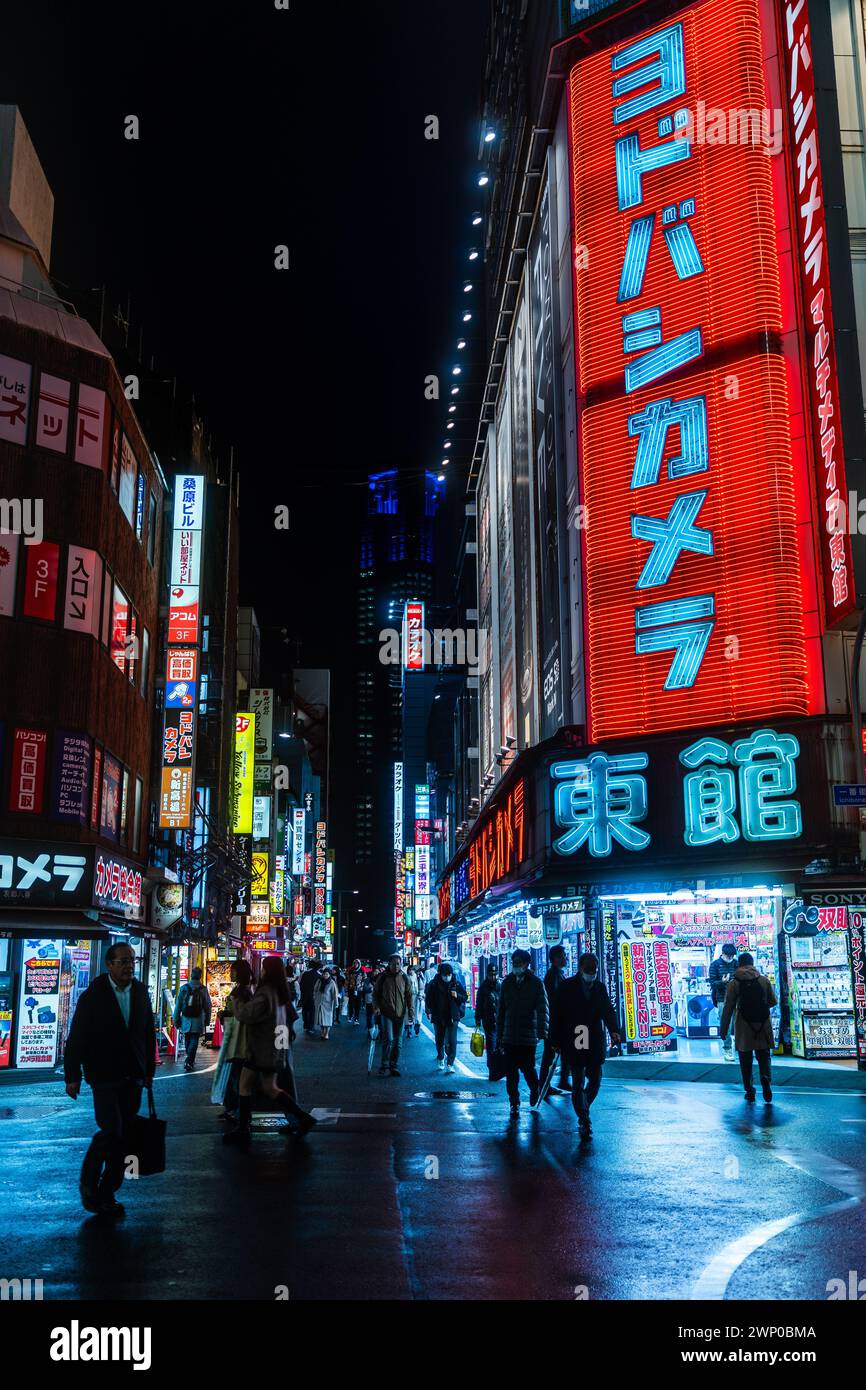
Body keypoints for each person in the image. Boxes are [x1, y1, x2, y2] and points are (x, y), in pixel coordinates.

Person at [64, 942, 157, 1217]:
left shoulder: (140, 992)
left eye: (132, 960)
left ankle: (107, 1192)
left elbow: (148, 1033)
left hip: (133, 1074)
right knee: (111, 1130)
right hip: (103, 1074)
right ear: (109, 964)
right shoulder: (94, 995)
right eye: (124, 961)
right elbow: (77, 1036)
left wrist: (148, 1071)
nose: (130, 965)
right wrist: (72, 1076)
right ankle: (90, 1184)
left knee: (124, 1133)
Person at [224, 955, 318, 1146]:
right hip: (275, 1046)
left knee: (245, 1085)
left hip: (261, 1048)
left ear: (268, 971)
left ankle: (243, 1129)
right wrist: (282, 1049)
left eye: (264, 968)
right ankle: (302, 1118)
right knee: (270, 1087)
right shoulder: (280, 992)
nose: (261, 971)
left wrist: (235, 1003)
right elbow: (288, 1020)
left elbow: (246, 1014)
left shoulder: (265, 992)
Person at [550, 953, 620, 1140]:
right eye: (588, 970)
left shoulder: (599, 987)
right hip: (575, 1038)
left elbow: (607, 1010)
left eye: (594, 970)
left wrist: (614, 1030)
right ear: (580, 968)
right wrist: (555, 1040)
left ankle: (584, 1106)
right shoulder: (567, 987)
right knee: (578, 1081)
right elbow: (557, 1015)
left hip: (595, 1038)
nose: (591, 973)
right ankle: (584, 1118)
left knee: (595, 1079)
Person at [720, 952, 777, 1103]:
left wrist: (724, 1029)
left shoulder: (734, 983)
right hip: (763, 1025)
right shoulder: (764, 980)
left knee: (745, 1060)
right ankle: (765, 1078)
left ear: (739, 965)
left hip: (744, 1026)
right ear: (752, 964)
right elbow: (773, 1001)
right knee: (764, 1057)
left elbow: (728, 1008)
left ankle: (750, 1091)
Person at [496, 949, 549, 1112]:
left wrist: (542, 1032)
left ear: (526, 964)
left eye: (519, 963)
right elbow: (501, 1011)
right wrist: (499, 1035)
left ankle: (535, 1088)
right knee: (511, 1072)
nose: (516, 965)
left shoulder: (536, 983)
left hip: (528, 1036)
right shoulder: (506, 983)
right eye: (514, 962)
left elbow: (543, 1009)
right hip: (509, 1036)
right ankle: (514, 1101)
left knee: (528, 1069)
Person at [215, 958, 253, 1119]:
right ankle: (232, 1107)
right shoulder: (243, 990)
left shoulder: (241, 992)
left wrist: (225, 1014)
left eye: (233, 970)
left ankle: (235, 1109)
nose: (231, 973)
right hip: (237, 1038)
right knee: (233, 1073)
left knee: (235, 1074)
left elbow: (241, 1014)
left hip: (239, 1039)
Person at [373, 954, 414, 1076]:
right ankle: (384, 1064)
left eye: (398, 963)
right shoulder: (383, 978)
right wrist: (376, 1007)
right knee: (389, 1039)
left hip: (400, 1014)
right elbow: (375, 994)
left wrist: (411, 1012)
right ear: (389, 964)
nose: (396, 966)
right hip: (386, 1013)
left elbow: (409, 996)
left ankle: (393, 1065)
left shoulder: (405, 978)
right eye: (394, 963)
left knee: (398, 1042)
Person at [539, 944, 571, 1095]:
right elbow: (557, 1000)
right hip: (554, 1022)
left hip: (554, 1021)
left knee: (557, 1053)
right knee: (550, 1054)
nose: (566, 958)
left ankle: (556, 1082)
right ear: (556, 958)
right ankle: (544, 1085)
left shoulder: (556, 974)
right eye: (564, 955)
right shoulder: (554, 975)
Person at [425, 961, 467, 1072]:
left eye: (449, 974)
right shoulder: (433, 984)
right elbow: (428, 999)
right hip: (438, 1017)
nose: (447, 977)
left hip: (453, 1016)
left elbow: (464, 997)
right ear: (440, 974)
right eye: (445, 975)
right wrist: (431, 1011)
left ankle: (450, 1064)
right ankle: (440, 1057)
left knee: (452, 1041)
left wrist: (457, 995)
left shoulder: (456, 984)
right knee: (440, 1039)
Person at [173, 966, 212, 1072]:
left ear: (191, 975)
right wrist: (207, 1021)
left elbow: (178, 1005)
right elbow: (208, 1006)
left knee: (187, 1038)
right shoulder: (203, 989)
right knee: (194, 1039)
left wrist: (176, 1020)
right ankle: (189, 1060)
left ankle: (189, 1059)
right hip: (198, 1019)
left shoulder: (184, 988)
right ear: (200, 976)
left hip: (186, 1019)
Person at [709, 943, 739, 1060]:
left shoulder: (736, 964)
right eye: (728, 956)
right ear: (723, 953)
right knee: (726, 1025)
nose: (730, 959)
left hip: (738, 999)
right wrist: (723, 982)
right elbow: (712, 983)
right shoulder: (715, 965)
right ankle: (727, 1050)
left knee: (740, 1024)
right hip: (722, 999)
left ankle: (740, 1047)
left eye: (732, 956)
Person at [474, 963, 501, 1079]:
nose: (493, 977)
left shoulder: (501, 986)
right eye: (491, 974)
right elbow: (479, 1004)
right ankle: (492, 1070)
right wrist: (478, 1019)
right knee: (491, 1046)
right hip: (489, 1020)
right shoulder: (483, 987)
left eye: (495, 974)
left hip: (501, 1021)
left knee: (500, 1046)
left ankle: (499, 1069)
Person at [314, 968, 338, 1040]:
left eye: (327, 974)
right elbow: (315, 990)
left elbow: (334, 994)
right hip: (319, 1003)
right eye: (324, 974)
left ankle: (326, 1033)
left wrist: (336, 1003)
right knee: (320, 1019)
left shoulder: (332, 982)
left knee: (327, 1019)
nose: (325, 975)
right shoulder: (319, 981)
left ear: (329, 975)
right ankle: (322, 1032)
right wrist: (314, 998)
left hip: (328, 1004)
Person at [299, 959, 321, 1034]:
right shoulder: (319, 975)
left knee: (305, 1010)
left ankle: (305, 1026)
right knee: (312, 1012)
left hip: (304, 995)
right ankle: (311, 1027)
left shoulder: (304, 974)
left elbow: (300, 984)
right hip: (313, 996)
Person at [405, 966, 421, 1039]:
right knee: (409, 1014)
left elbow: (421, 987)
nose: (411, 971)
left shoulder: (418, 977)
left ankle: (417, 1028)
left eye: (412, 970)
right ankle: (409, 1030)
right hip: (408, 998)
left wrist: (420, 995)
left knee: (417, 1015)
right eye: (409, 970)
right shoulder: (405, 978)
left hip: (417, 998)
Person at [347, 960, 365, 1024]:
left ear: (359, 964)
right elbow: (347, 980)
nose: (355, 964)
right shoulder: (350, 970)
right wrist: (347, 989)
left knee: (358, 1005)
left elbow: (364, 979)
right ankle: (350, 1016)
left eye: (357, 963)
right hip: (351, 989)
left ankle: (356, 1018)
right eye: (354, 963)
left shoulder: (362, 971)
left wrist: (361, 986)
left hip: (359, 990)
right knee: (351, 1004)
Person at [364, 967, 381, 1035]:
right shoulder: (368, 979)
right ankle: (370, 1029)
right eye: (375, 971)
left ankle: (377, 1031)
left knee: (377, 1016)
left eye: (377, 972)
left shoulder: (380, 980)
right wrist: (370, 989)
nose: (376, 973)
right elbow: (365, 989)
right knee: (369, 1016)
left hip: (378, 1001)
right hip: (369, 1000)